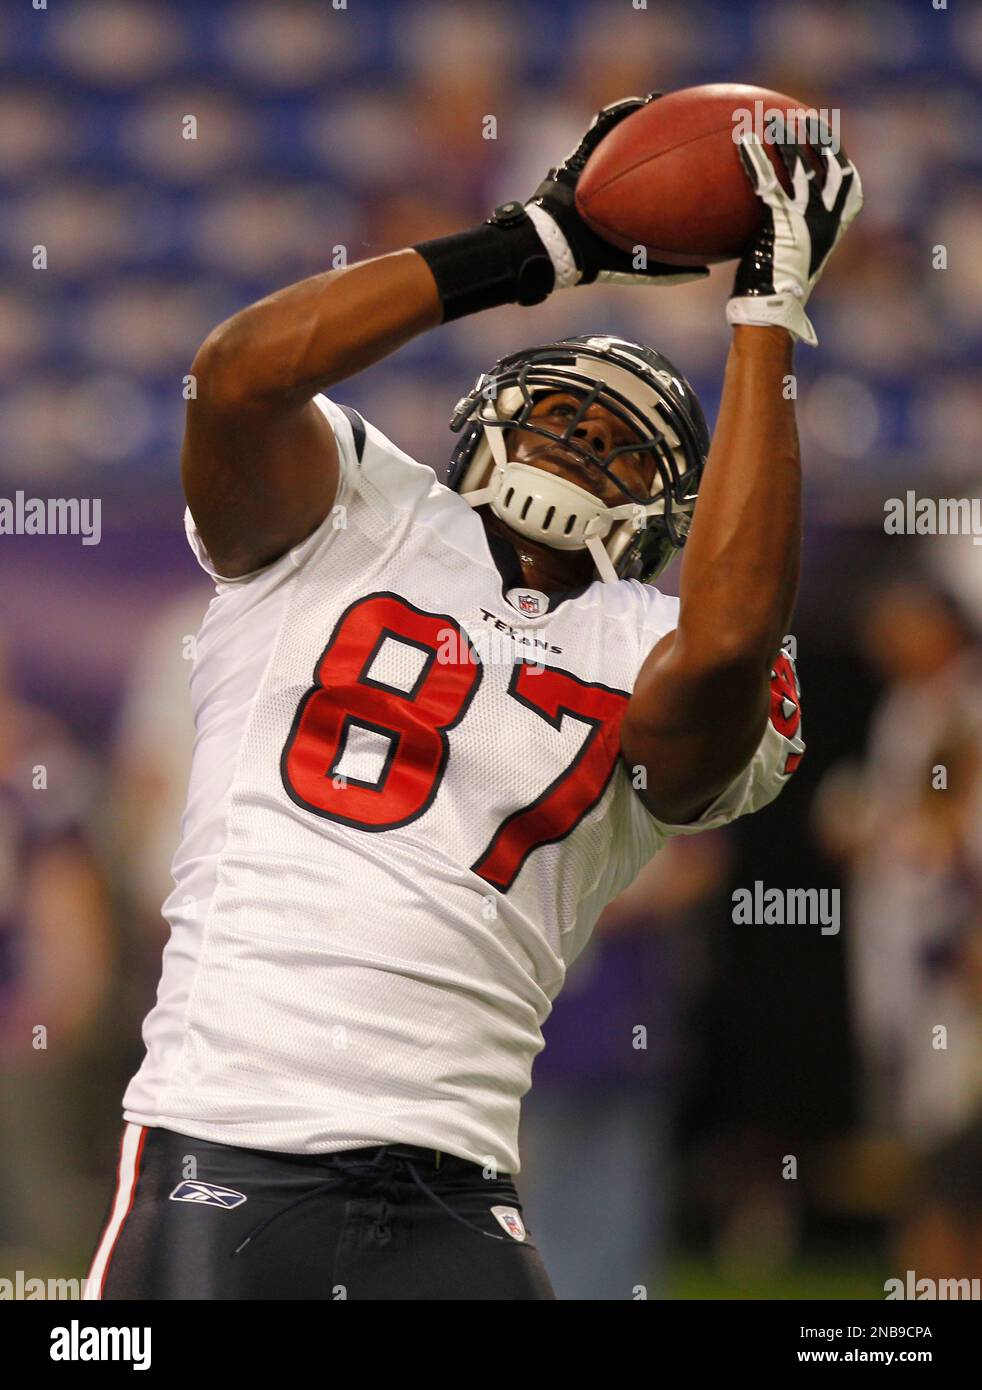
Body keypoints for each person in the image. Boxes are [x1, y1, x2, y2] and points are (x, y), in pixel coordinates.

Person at [87, 94, 859, 1300]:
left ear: (670, 513)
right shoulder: (351, 514)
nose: (577, 444)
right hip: (223, 1139)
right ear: (476, 423)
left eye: (620, 442)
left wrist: (764, 320)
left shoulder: (654, 634)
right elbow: (234, 378)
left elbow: (723, 652)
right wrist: (536, 244)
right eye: (554, 412)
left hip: (456, 1186)